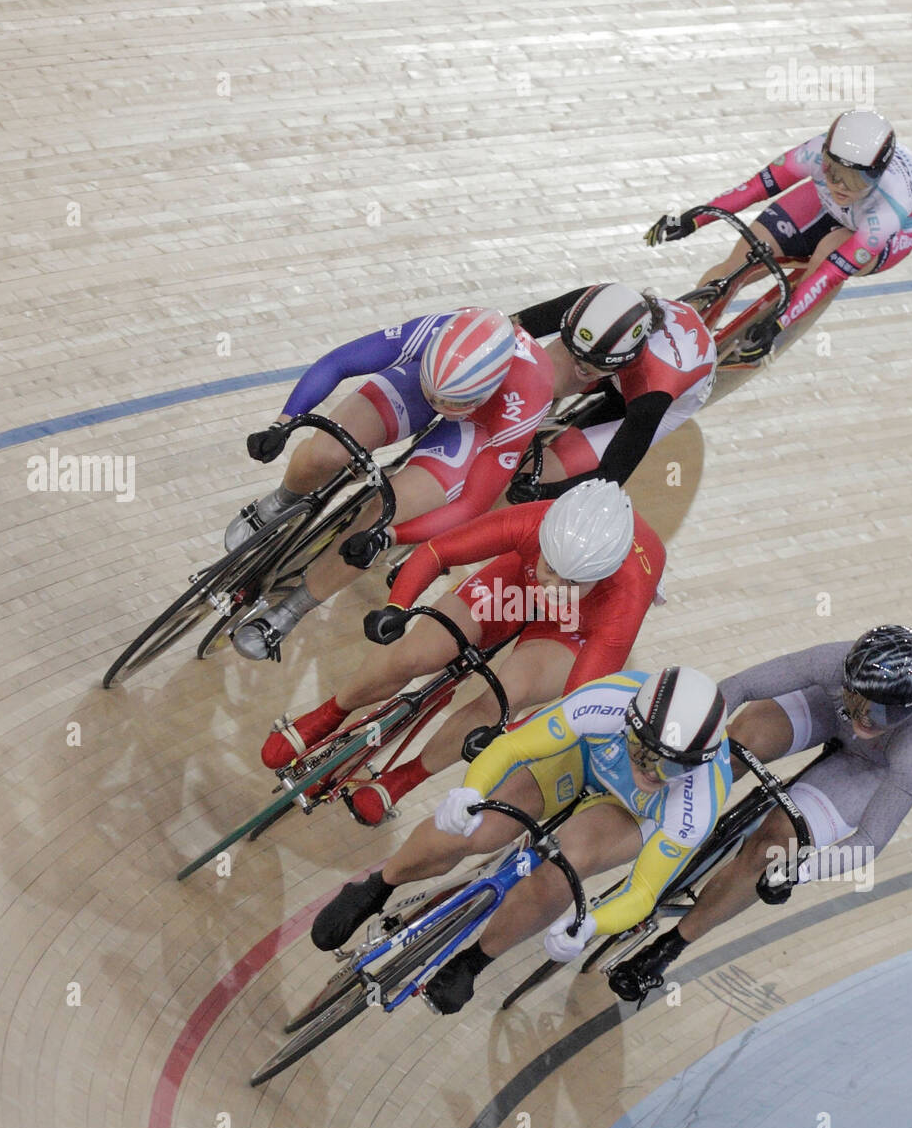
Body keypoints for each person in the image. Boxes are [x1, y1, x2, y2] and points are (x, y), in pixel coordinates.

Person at [308, 666, 732, 1013]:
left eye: (671, 769)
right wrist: (470, 791)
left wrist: (590, 925)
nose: (652, 772)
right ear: (630, 724)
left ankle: (473, 962)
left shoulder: (699, 801)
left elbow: (644, 891)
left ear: (697, 766)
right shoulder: (607, 702)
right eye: (642, 752)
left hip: (629, 813)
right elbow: (512, 748)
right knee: (479, 826)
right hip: (580, 757)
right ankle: (380, 884)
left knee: (566, 868)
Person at [260, 481, 665, 823]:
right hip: (514, 585)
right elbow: (437, 553)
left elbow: (577, 709)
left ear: (603, 575)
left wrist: (504, 737)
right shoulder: (534, 522)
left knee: (506, 695)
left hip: (579, 627)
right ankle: (330, 713)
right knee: (414, 653)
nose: (554, 588)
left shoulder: (624, 599)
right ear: (543, 541)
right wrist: (397, 608)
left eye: (571, 582)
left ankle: (403, 778)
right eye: (551, 569)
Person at [606, 626, 912, 999]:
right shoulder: (835, 662)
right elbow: (738, 687)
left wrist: (798, 872)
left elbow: (870, 841)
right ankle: (645, 820)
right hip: (826, 708)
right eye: (859, 703)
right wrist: (687, 739)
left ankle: (667, 947)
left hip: (874, 768)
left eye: (880, 715)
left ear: (907, 712)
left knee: (771, 849)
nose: (866, 719)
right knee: (736, 744)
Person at [224, 307, 554, 660]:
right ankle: (280, 501)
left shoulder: (527, 398)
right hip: (419, 379)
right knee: (326, 453)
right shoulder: (433, 332)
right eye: (435, 394)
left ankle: (292, 609)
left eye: (448, 402)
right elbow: (338, 363)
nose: (438, 406)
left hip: (480, 427)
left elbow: (472, 505)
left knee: (387, 515)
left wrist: (389, 536)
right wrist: (283, 423)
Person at [644, 109, 912, 362]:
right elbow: (753, 189)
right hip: (825, 203)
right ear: (825, 155)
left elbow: (829, 274)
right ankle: (677, 336)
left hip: (884, 231)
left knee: (825, 255)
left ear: (877, 175)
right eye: (831, 170)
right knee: (739, 263)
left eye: (855, 179)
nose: (839, 184)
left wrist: (779, 324)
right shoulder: (813, 152)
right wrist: (695, 219)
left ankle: (762, 341)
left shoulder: (892, 204)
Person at [505, 282, 716, 502]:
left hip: (664, 394)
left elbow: (611, 476)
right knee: (539, 378)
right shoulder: (594, 305)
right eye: (574, 355)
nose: (579, 368)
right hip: (614, 359)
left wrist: (542, 492)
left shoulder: (654, 392)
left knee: (538, 478)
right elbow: (512, 327)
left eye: (588, 365)